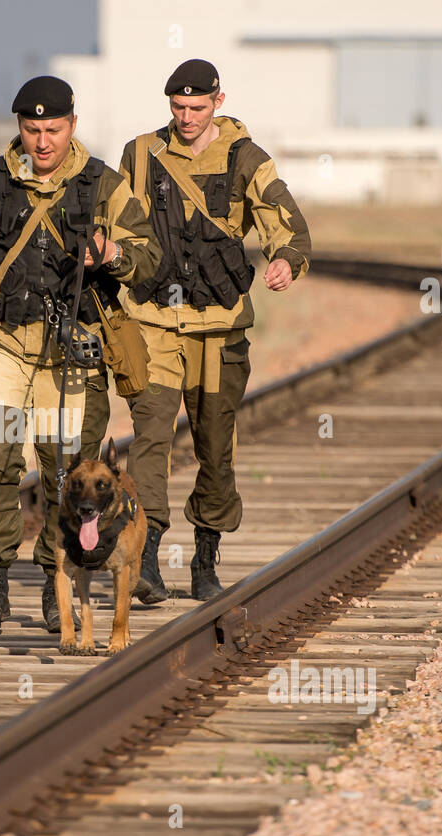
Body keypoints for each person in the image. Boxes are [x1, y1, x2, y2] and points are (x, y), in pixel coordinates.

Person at [0, 75, 160, 633]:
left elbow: (149, 258)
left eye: (53, 129)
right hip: (2, 346)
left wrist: (110, 252)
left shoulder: (104, 184)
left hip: (73, 353)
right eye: (31, 129)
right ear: (19, 128)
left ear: (72, 125)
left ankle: (54, 582)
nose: (42, 141)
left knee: (69, 475)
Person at [119, 58, 312, 602]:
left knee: (215, 445)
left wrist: (285, 261)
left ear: (218, 102)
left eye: (196, 107)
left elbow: (289, 226)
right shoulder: (139, 154)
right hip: (153, 322)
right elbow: (115, 221)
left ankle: (205, 559)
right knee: (150, 439)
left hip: (218, 328)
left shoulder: (247, 159)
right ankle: (147, 558)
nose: (185, 117)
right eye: (177, 107)